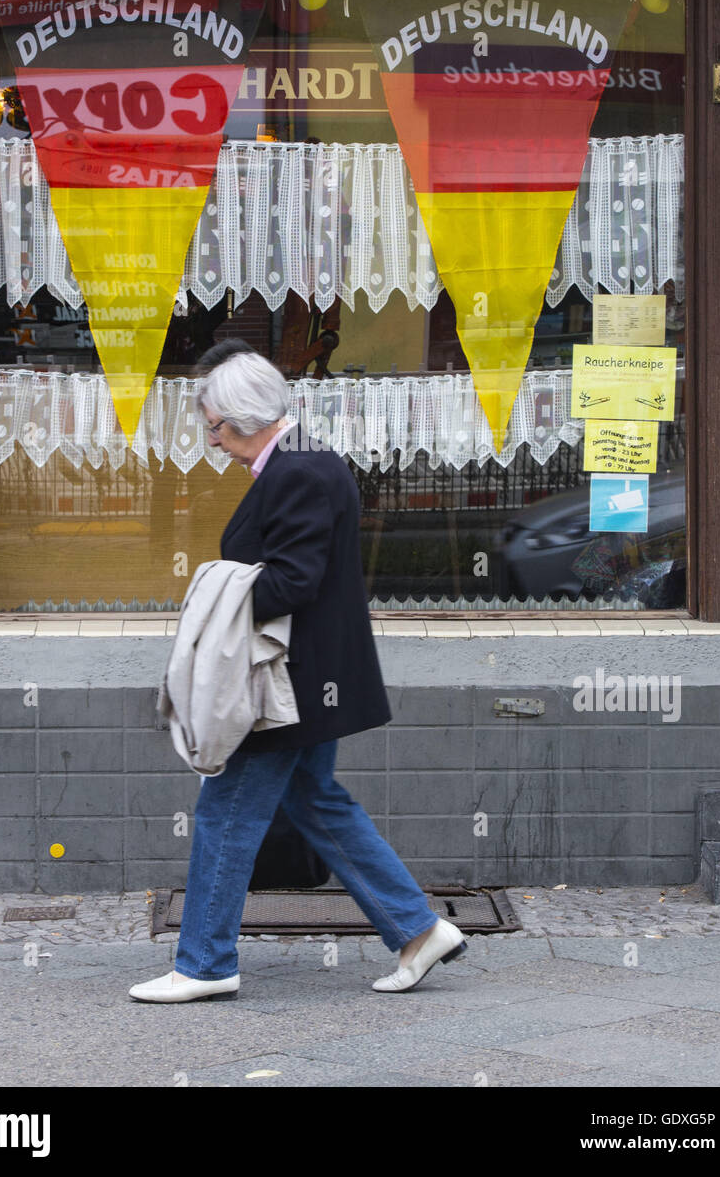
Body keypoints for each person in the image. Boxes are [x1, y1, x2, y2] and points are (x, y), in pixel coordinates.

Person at [130, 349, 468, 1002]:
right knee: (316, 801)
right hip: (311, 684)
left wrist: (213, 599)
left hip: (284, 689)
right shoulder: (308, 464)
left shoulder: (295, 475)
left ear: (249, 420)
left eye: (217, 427)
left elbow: (293, 581)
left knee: (225, 814)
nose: (212, 440)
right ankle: (420, 932)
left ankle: (204, 962)